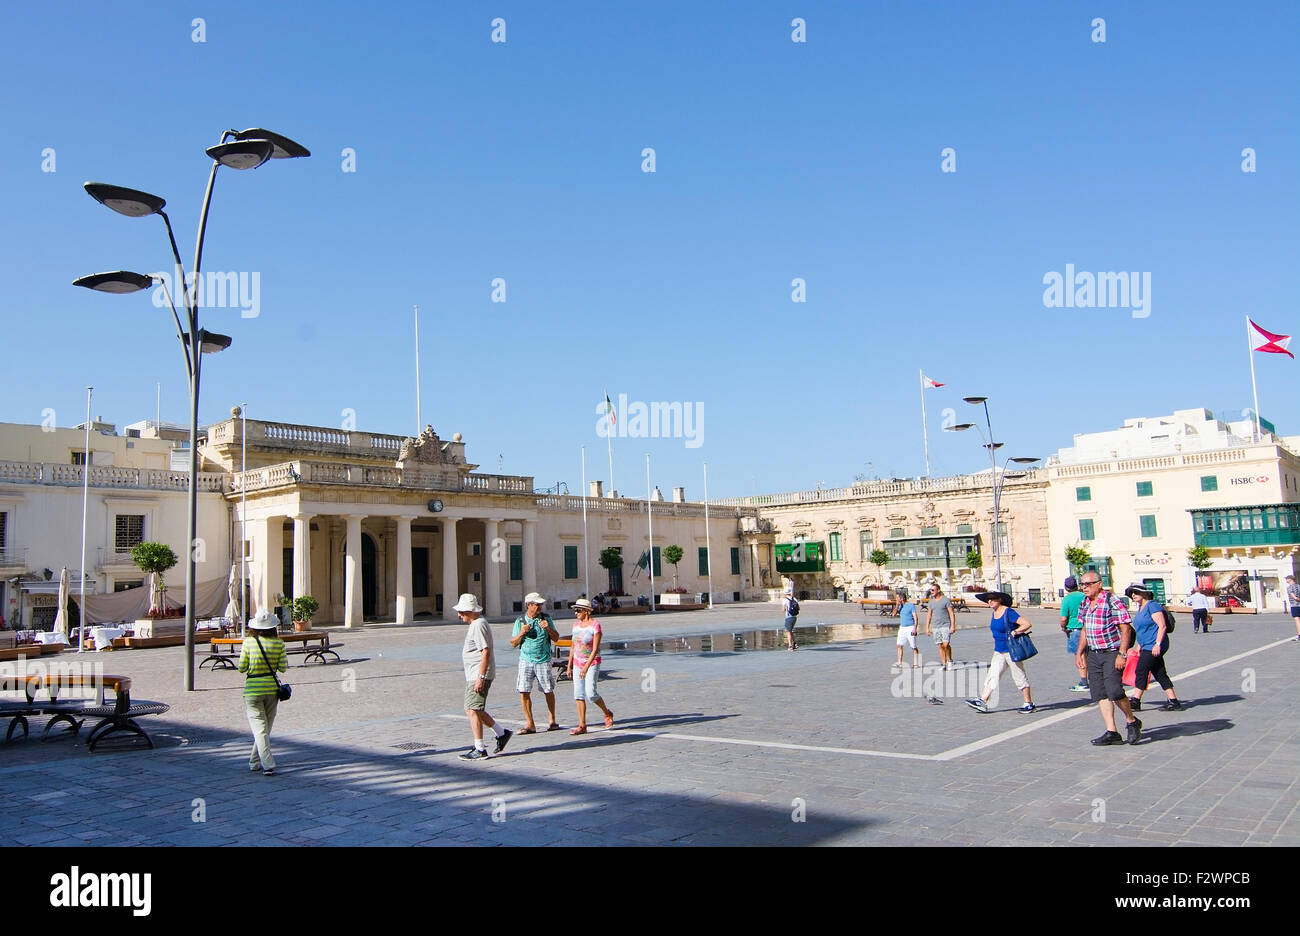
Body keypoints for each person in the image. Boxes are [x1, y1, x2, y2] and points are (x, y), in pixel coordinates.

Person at [1074, 573, 1141, 745]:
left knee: (1115, 691)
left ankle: (1131, 721)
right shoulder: (1085, 603)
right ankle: (1112, 731)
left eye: (1088, 584)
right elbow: (1084, 629)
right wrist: (1079, 652)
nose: (1084, 587)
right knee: (1100, 693)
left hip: (1112, 652)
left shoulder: (1112, 601)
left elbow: (1125, 629)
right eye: (1082, 584)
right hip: (1093, 653)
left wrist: (1122, 653)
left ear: (1099, 584)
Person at [455, 593, 512, 760]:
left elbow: (485, 652)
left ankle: (480, 749)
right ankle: (501, 733)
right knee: (474, 708)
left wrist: (480, 676)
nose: (460, 615)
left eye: (462, 612)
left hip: (478, 674)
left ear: (471, 611)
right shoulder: (477, 624)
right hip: (475, 673)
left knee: (473, 709)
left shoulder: (478, 625)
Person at [964, 590, 1036, 713]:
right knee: (993, 674)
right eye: (988, 599)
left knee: (1019, 675)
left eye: (993, 598)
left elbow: (1026, 624)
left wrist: (1016, 632)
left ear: (1000, 599)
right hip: (999, 650)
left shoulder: (1008, 612)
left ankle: (1028, 703)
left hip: (1011, 650)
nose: (990, 601)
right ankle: (982, 700)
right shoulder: (994, 613)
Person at [238, 609, 287, 776]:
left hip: (252, 690)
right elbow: (283, 667)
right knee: (264, 728)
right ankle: (255, 761)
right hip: (272, 690)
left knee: (260, 728)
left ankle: (266, 764)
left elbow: (241, 668)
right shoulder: (279, 643)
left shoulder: (248, 643)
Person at [1123, 584, 1181, 712]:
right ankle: (1173, 701)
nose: (1133, 595)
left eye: (1136, 592)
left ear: (1144, 593)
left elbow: (1162, 626)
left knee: (1141, 670)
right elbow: (1143, 630)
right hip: (1146, 645)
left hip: (1154, 645)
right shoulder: (1140, 608)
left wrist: (1158, 644)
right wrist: (1139, 646)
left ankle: (1136, 700)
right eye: (1132, 593)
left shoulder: (1152, 605)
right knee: (1159, 672)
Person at [511, 591, 560, 733]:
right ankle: (530, 723)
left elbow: (556, 638)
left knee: (548, 689)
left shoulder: (546, 618)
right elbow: (513, 643)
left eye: (540, 604)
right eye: (537, 604)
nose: (540, 607)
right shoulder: (520, 621)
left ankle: (552, 720)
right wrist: (522, 632)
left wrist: (548, 628)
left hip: (543, 659)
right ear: (528, 605)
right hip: (526, 660)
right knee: (524, 690)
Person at [567, 598, 613, 734]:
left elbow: (595, 649)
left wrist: (586, 667)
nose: (575, 613)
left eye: (578, 610)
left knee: (591, 693)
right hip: (577, 663)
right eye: (575, 610)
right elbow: (573, 646)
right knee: (578, 694)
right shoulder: (575, 626)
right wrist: (569, 665)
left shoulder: (595, 626)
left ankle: (607, 712)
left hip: (592, 662)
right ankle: (582, 725)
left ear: (586, 611)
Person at [1060, 576, 1088, 691]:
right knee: (1090, 655)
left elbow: (1063, 618)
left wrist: (1063, 627)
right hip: (1088, 628)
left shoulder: (1066, 599)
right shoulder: (1084, 596)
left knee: (1080, 655)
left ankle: (1084, 682)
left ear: (1066, 588)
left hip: (1075, 630)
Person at [925, 583, 957, 669]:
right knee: (940, 645)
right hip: (935, 626)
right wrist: (927, 627)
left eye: (932, 590)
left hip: (945, 625)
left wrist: (953, 626)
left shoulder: (946, 600)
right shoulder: (931, 601)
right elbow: (929, 615)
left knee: (946, 644)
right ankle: (944, 664)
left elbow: (951, 613)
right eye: (930, 590)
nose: (931, 592)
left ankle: (949, 660)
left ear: (938, 590)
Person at [895, 593, 921, 668]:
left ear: (902, 599)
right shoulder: (900, 606)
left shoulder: (910, 605)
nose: (896, 599)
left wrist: (915, 628)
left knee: (913, 646)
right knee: (899, 645)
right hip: (902, 628)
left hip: (910, 627)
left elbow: (915, 617)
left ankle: (916, 663)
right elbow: (893, 614)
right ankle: (899, 662)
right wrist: (897, 605)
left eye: (897, 598)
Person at [1285, 576, 1300, 641]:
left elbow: (1294, 597)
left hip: (1295, 605)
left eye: (1287, 579)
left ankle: (1299, 635)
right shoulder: (1299, 586)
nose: (1286, 580)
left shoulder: (1289, 587)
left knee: (1297, 620)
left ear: (1290, 579)